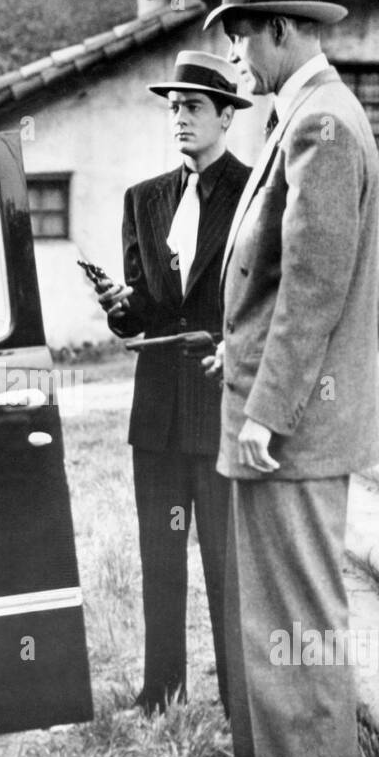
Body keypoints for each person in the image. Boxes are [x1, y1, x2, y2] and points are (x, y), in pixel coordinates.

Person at [203, 0, 379, 757]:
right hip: (278, 419)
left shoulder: (321, 126)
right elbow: (270, 289)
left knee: (298, 625)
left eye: (240, 34)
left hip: (294, 429)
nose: (235, 55)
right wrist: (234, 362)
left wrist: (266, 413)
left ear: (280, 30)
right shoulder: (303, 116)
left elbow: (313, 292)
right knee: (273, 622)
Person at [97, 52, 250, 715]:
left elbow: (263, 297)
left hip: (220, 402)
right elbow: (143, 317)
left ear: (224, 116)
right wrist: (116, 303)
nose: (180, 118)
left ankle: (237, 697)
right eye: (173, 108)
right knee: (160, 555)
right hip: (157, 409)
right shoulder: (145, 199)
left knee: (223, 561)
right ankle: (161, 691)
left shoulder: (254, 194)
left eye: (193, 107)